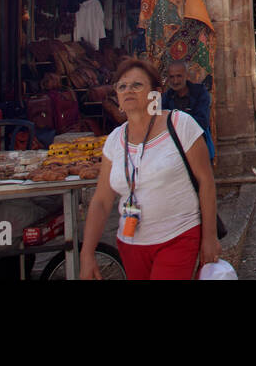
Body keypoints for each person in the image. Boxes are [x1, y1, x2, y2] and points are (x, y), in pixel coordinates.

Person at [83, 58, 218, 280]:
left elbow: (206, 181)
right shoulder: (114, 140)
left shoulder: (180, 125)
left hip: (178, 236)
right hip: (130, 244)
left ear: (155, 92)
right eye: (122, 86)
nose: (128, 90)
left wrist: (209, 238)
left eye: (137, 85)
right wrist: (87, 253)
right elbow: (101, 200)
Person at [162, 61, 215, 161]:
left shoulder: (200, 93)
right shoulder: (167, 97)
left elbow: (202, 121)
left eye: (179, 76)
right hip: (176, 151)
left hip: (198, 147)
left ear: (186, 76)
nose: (175, 81)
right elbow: (162, 124)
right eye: (172, 77)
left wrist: (175, 123)